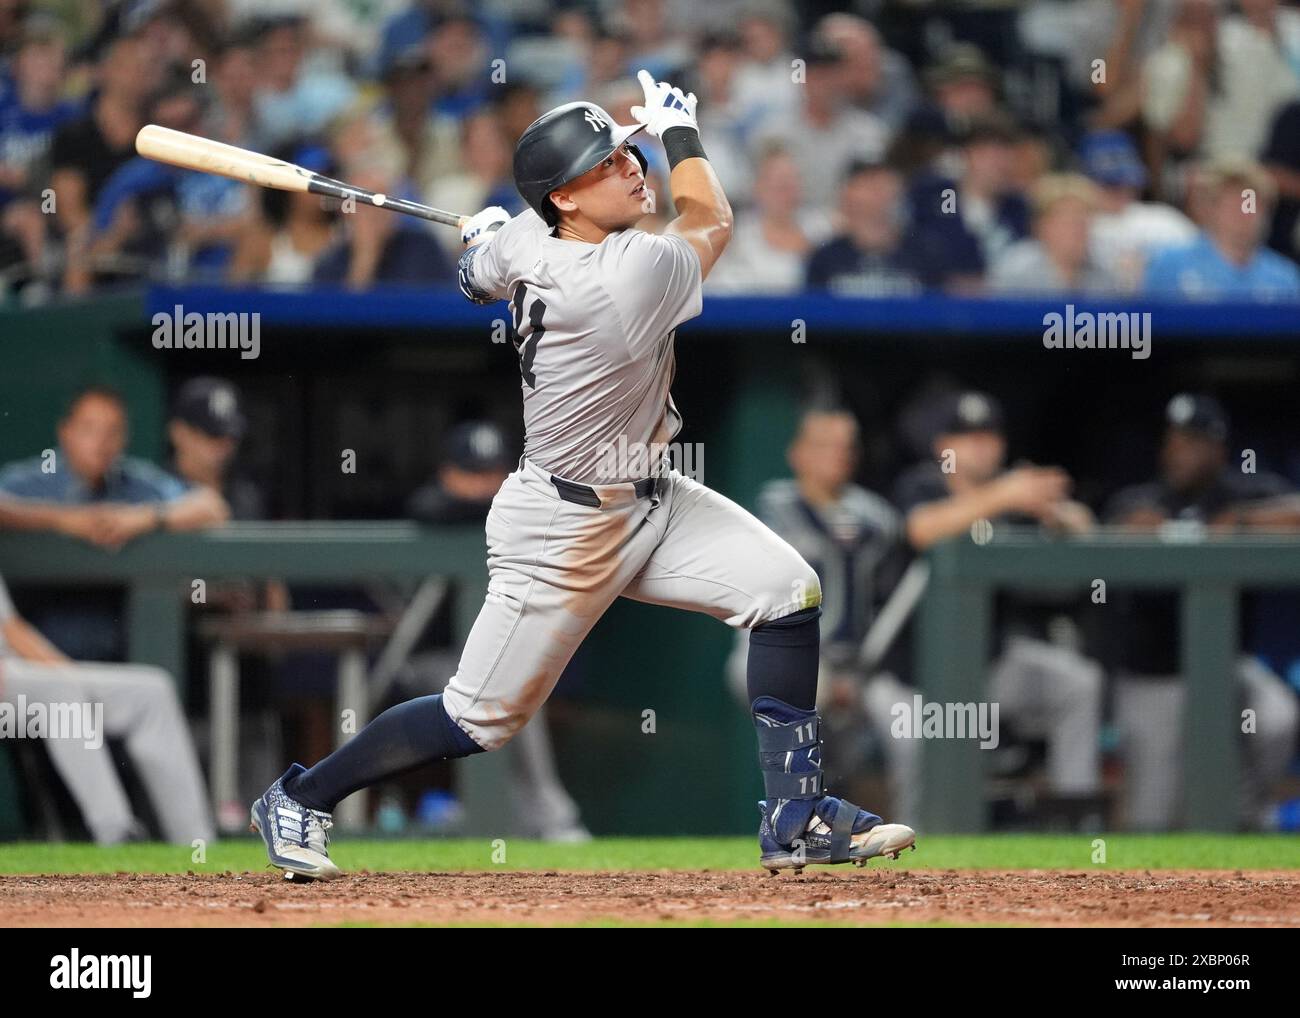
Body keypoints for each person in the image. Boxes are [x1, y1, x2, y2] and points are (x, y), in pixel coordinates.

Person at [251, 70, 916, 880]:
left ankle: (797, 816)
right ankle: (303, 797)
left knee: (787, 591)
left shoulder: (532, 242)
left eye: (630, 153)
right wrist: (680, 135)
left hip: (651, 498)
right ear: (564, 199)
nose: (632, 168)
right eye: (607, 165)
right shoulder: (626, 273)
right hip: (561, 526)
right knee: (478, 719)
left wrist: (493, 240)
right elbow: (712, 214)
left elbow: (473, 279)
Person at [892, 391, 1104, 807]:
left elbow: (1085, 529)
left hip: (990, 664)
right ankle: (909, 856)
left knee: (1079, 684)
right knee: (920, 766)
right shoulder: (921, 484)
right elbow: (923, 530)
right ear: (942, 447)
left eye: (988, 436)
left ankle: (1074, 826)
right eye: (966, 436)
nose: (980, 446)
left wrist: (1057, 513)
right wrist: (1003, 495)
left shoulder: (1012, 495)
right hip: (913, 676)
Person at [1103, 394, 1300, 830]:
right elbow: (1114, 524)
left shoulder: (1242, 494)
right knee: (1152, 816)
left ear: (1218, 450)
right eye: (1173, 442)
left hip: (1227, 669)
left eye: (1192, 442)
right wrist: (1149, 533)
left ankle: (1247, 812)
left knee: (1276, 717)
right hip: (1155, 675)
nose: (1178, 452)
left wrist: (1242, 524)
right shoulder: (1143, 499)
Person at [725, 408, 917, 823]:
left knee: (913, 726)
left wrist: (861, 671)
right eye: (825, 445)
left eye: (847, 446)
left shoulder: (877, 517)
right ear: (798, 454)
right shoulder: (772, 508)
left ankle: (919, 833)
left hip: (864, 666)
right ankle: (795, 818)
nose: (839, 455)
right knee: (806, 709)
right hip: (780, 652)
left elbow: (889, 594)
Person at [405, 421, 591, 842]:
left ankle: (543, 820)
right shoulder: (435, 508)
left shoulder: (522, 511)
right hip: (427, 660)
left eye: (493, 473)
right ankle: (531, 821)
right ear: (447, 474)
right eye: (472, 474)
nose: (486, 484)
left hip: (503, 653)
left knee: (515, 682)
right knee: (489, 687)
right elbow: (428, 505)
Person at [0, 384, 230, 660]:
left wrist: (145, 517)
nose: (100, 442)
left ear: (124, 438)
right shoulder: (32, 480)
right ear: (66, 432)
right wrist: (62, 520)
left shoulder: (134, 482)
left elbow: (211, 505)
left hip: (116, 650)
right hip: (36, 655)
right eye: (89, 429)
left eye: (112, 432)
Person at [0, 569, 215, 845]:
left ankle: (197, 841)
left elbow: (11, 628)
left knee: (151, 690)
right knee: (58, 690)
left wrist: (70, 674)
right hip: (17, 687)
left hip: (18, 675)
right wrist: (66, 681)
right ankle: (115, 831)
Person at [1144, 156, 1300, 299]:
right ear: (1209, 209)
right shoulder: (1171, 265)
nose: (1244, 216)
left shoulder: (1284, 278)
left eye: (1252, 206)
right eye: (1233, 205)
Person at [1079, 130, 1197, 289]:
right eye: (1111, 185)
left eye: (1126, 183)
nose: (1121, 191)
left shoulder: (1164, 220)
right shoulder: (1075, 225)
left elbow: (1199, 266)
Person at [804, 160, 921, 296]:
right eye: (872, 187)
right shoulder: (826, 258)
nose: (881, 196)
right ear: (848, 196)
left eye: (884, 187)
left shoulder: (922, 254)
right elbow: (813, 309)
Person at [989, 173, 1120, 294]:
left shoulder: (1104, 274)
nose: (1077, 230)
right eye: (1067, 221)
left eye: (1083, 221)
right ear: (1041, 225)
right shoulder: (1015, 270)